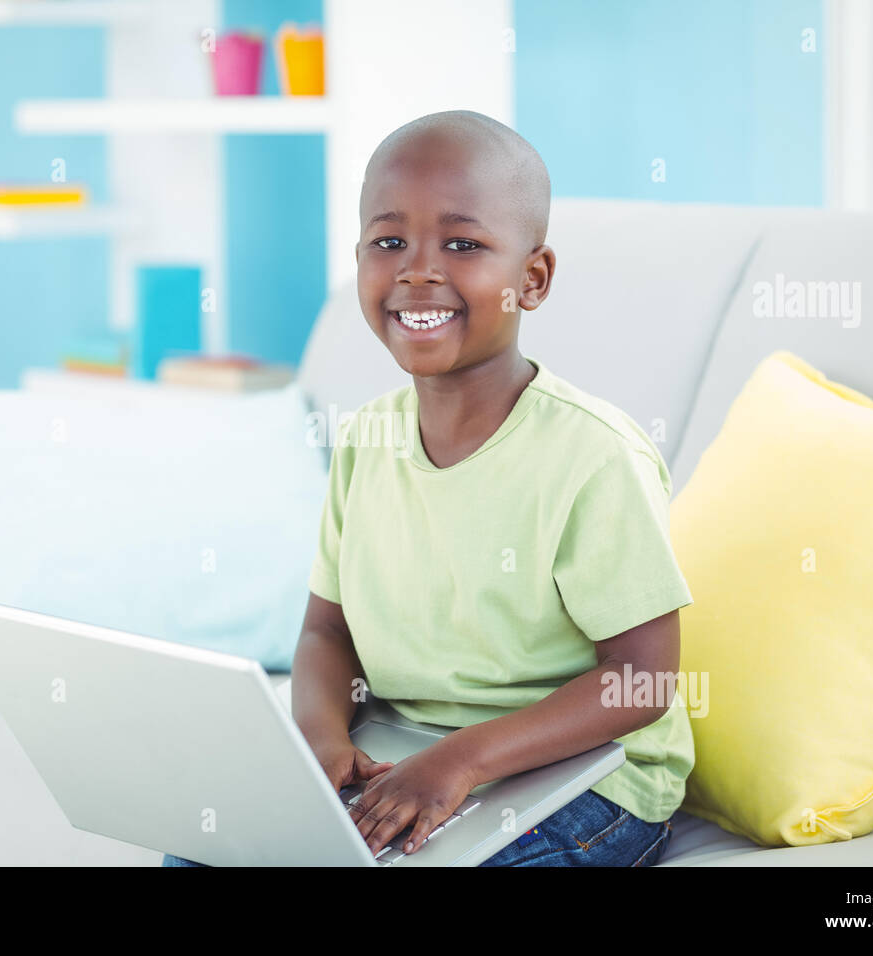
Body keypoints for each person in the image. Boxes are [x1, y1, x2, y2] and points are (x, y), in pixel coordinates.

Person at [165, 110, 693, 867]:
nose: (418, 270)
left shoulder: (594, 456)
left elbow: (642, 682)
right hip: (400, 752)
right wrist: (323, 742)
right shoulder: (365, 441)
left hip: (587, 782)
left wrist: (461, 762)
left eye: (463, 244)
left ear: (532, 279)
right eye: (389, 243)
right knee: (203, 852)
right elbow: (326, 634)